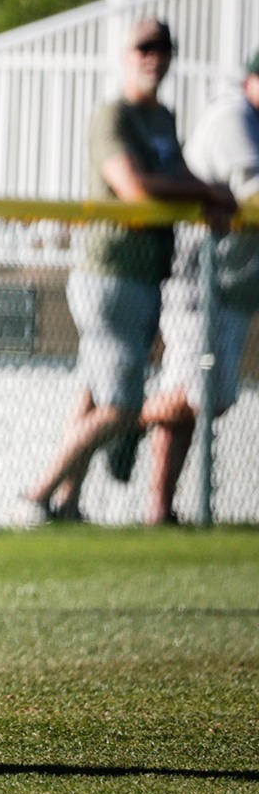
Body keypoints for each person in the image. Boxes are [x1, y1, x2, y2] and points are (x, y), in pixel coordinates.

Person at [24, 19, 234, 523]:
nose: (154, 56)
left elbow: (179, 173)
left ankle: (67, 504)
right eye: (144, 47)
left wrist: (210, 191)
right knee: (120, 406)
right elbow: (134, 188)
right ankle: (33, 496)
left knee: (94, 395)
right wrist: (205, 193)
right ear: (124, 54)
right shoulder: (111, 115)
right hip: (110, 274)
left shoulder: (162, 117)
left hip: (147, 275)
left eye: (163, 47)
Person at [135, 47, 259, 524]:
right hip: (198, 285)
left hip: (231, 287)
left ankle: (159, 502)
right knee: (191, 393)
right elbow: (251, 189)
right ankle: (125, 420)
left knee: (213, 397)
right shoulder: (233, 115)